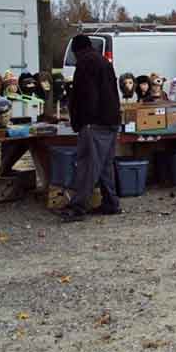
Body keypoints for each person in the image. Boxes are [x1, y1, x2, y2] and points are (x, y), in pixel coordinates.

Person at [61, 34, 121, 222]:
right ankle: (111, 203)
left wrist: (82, 122)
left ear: (76, 50)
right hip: (111, 120)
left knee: (88, 166)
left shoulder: (85, 64)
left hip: (94, 123)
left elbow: (86, 96)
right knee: (105, 165)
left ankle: (77, 207)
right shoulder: (104, 62)